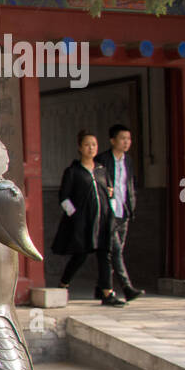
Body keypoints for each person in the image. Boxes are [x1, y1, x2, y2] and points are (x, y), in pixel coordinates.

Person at [52, 130, 124, 306]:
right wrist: (75, 216)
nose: (91, 148)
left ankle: (107, 293)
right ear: (80, 148)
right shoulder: (73, 171)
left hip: (103, 221)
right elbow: (64, 197)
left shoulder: (101, 170)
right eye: (87, 144)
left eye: (94, 145)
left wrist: (111, 212)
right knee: (80, 255)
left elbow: (110, 193)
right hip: (83, 223)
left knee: (104, 255)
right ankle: (63, 285)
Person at [95, 123, 143, 301]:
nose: (126, 142)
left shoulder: (128, 160)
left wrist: (132, 203)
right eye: (123, 138)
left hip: (124, 211)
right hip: (108, 213)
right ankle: (126, 287)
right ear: (112, 140)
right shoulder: (102, 160)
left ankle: (101, 287)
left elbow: (129, 184)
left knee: (114, 251)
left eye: (128, 139)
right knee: (115, 251)